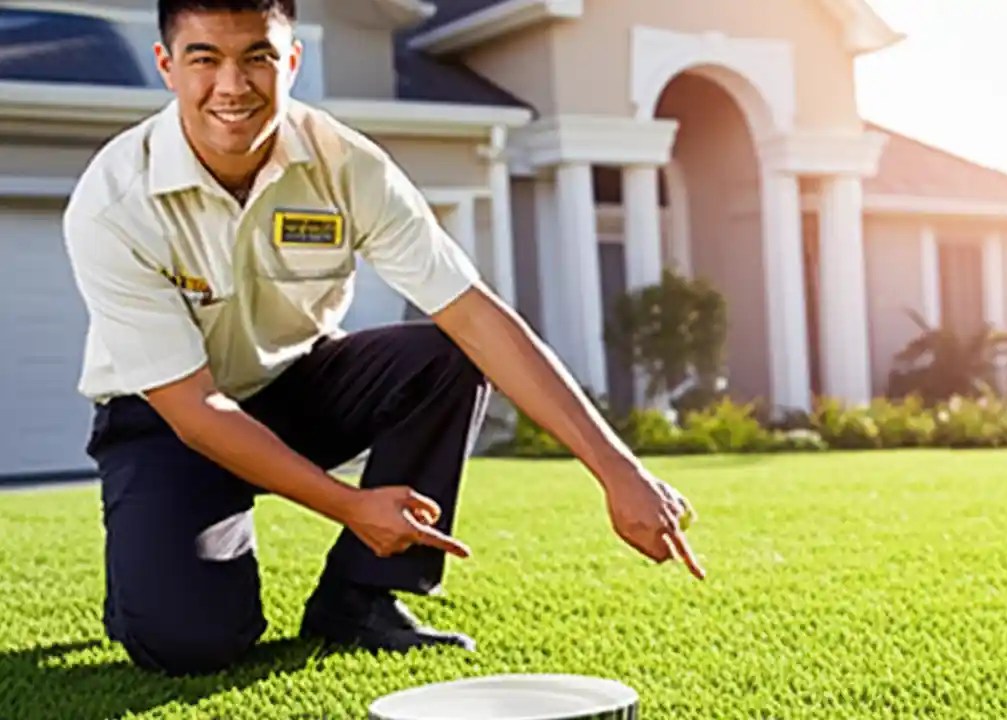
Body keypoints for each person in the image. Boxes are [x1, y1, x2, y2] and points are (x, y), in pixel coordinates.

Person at [62, 0, 704, 677]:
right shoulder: (115, 202)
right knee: (191, 643)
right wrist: (350, 505)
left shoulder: (346, 164)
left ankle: (362, 598)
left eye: (258, 56)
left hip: (298, 386)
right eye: (204, 59)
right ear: (166, 65)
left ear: (293, 60)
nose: (233, 85)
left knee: (448, 353)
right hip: (169, 423)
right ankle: (145, 575)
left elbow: (476, 316)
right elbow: (195, 410)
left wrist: (617, 469)